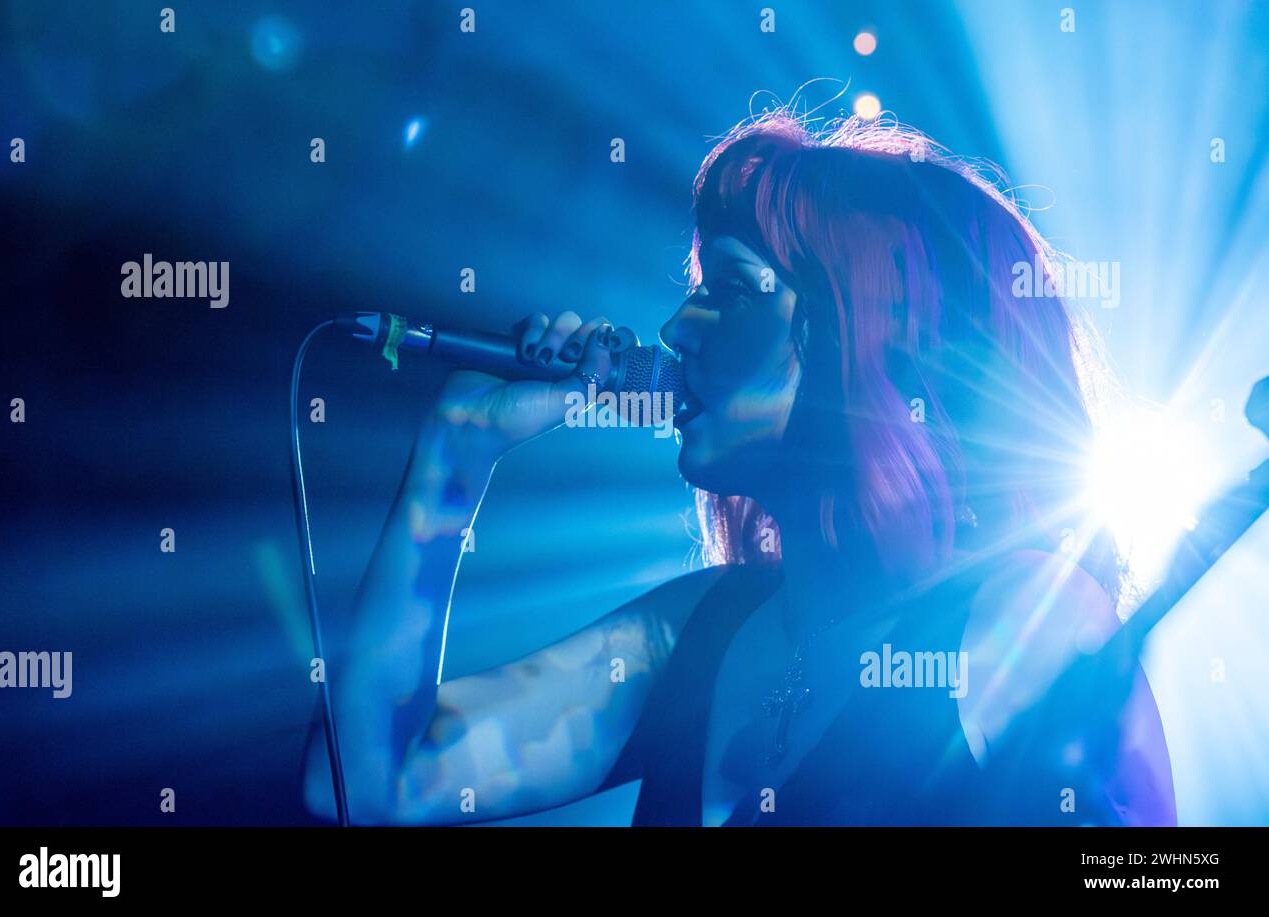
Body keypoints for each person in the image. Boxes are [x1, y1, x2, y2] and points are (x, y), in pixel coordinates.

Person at [303, 107, 1177, 826]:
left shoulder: (1024, 614)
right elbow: (372, 783)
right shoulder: (704, 631)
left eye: (729, 289)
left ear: (856, 328)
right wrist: (455, 460)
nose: (677, 327)